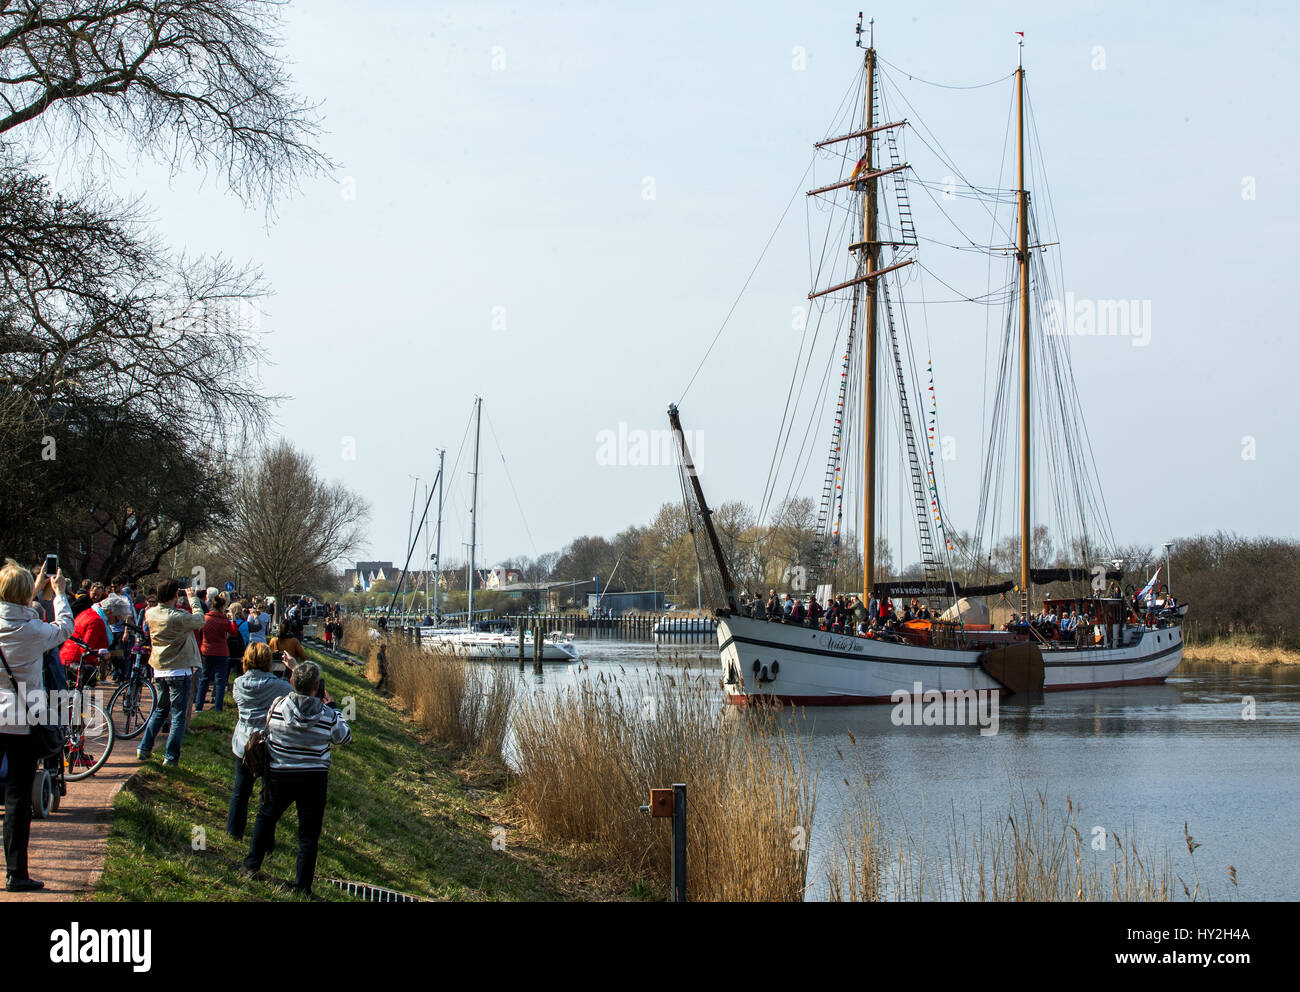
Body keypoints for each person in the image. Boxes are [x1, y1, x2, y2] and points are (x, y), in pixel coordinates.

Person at [242, 661, 351, 896]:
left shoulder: (279, 705)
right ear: (317, 687)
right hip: (314, 777)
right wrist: (334, 707)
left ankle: (251, 865)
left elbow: (267, 728)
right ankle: (303, 885)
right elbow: (344, 737)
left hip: (281, 773)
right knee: (309, 834)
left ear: (292, 682)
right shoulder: (327, 716)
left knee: (266, 817)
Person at [0, 560, 73, 892]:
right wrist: (58, 594)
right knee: (17, 797)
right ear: (23, 595)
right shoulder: (32, 630)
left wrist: (32, 584)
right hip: (22, 720)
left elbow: (12, 603)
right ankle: (16, 873)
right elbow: (64, 628)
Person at [137, 579, 206, 766]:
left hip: (159, 668)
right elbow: (200, 620)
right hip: (179, 670)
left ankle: (144, 748)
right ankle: (171, 757)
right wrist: (193, 601)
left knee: (160, 711)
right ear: (175, 595)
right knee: (178, 717)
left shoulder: (150, 613)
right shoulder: (177, 617)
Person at [227, 643, 292, 839]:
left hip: (244, 742)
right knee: (269, 796)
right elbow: (295, 694)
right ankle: (264, 838)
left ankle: (233, 831)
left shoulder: (238, 684)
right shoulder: (280, 686)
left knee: (240, 791)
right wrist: (293, 668)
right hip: (269, 743)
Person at [196, 593, 236, 712]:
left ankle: (199, 705)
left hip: (207, 651)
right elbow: (233, 632)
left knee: (204, 679)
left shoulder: (206, 618)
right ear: (223, 607)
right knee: (220, 681)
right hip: (221, 652)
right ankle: (218, 707)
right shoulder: (224, 621)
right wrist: (233, 618)